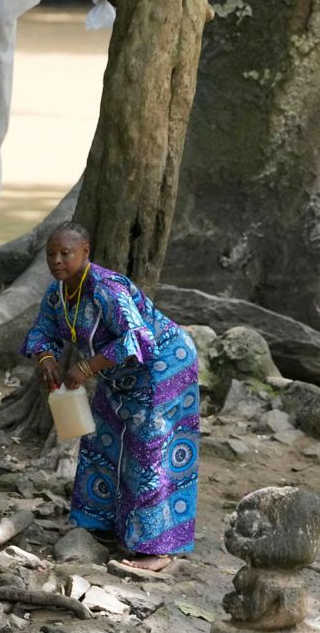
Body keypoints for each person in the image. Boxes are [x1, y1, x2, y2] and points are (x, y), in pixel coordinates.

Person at [21, 222, 199, 572]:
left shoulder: (106, 288)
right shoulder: (58, 294)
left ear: (85, 252)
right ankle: (99, 523)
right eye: (51, 254)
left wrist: (85, 368)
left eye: (65, 253)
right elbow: (43, 330)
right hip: (117, 374)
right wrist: (46, 359)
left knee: (148, 449)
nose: (57, 260)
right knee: (102, 439)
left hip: (164, 366)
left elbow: (139, 338)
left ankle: (156, 549)